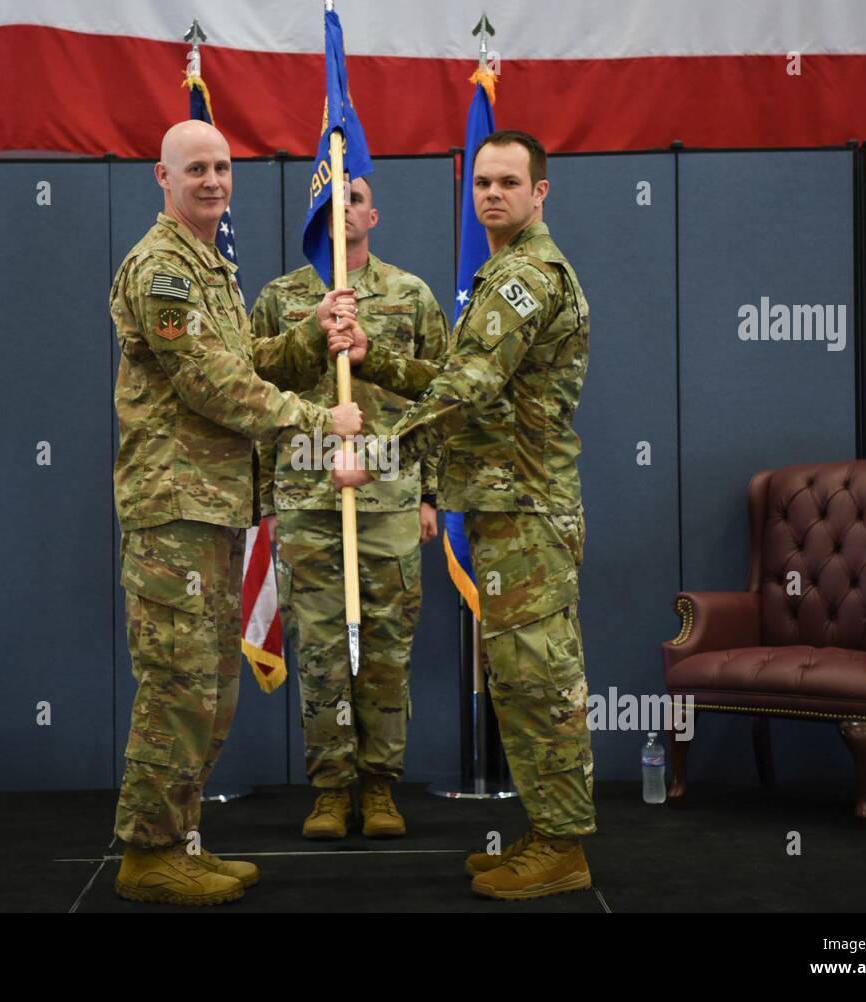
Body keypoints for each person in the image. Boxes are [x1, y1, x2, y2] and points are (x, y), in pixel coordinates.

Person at [329, 129, 596, 900]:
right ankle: (546, 831)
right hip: (503, 504)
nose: (491, 194)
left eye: (509, 182)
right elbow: (455, 373)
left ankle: (564, 846)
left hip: (526, 507)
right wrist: (371, 352)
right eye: (482, 181)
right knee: (518, 677)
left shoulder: (527, 279)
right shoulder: (502, 273)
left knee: (541, 679)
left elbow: (467, 388)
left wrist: (374, 451)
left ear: (539, 193)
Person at [110, 118, 363, 906]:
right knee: (177, 686)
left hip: (214, 507)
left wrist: (308, 334)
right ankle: (146, 854)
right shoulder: (162, 270)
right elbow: (209, 384)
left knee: (211, 684)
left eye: (222, 167)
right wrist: (322, 422)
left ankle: (180, 839)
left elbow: (243, 358)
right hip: (174, 507)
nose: (213, 181)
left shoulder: (210, 267)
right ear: (163, 178)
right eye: (196, 170)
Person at [248, 175, 449, 840]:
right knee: (321, 652)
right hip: (307, 498)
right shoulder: (281, 299)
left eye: (356, 198)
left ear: (375, 213)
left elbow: (442, 396)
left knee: (387, 649)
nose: (344, 209)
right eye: (331, 199)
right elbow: (249, 388)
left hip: (389, 497)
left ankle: (381, 786)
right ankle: (331, 790)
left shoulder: (410, 295)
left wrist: (429, 495)